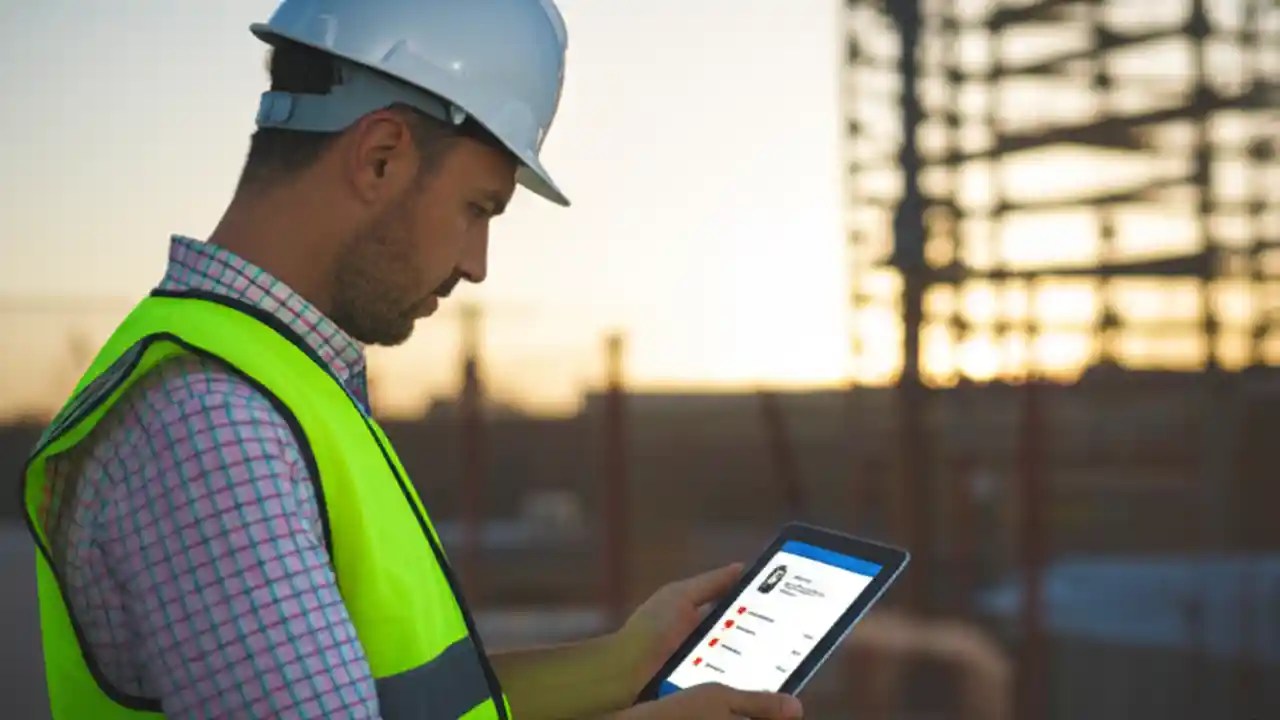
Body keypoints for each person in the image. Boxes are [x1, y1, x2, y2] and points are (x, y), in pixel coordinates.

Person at [21, 1, 805, 718]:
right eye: (477, 209)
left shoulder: (270, 383)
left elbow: (385, 700)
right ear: (383, 157)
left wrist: (619, 665)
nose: (477, 264)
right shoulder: (211, 425)